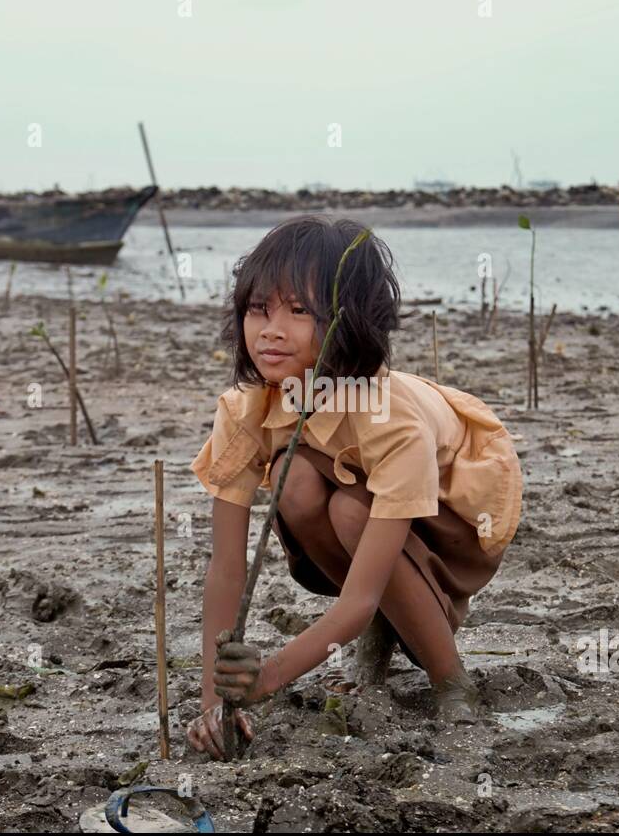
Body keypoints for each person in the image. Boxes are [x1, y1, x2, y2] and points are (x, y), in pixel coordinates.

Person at [186, 215, 522, 760]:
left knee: (350, 514)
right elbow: (226, 568)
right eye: (258, 309)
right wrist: (215, 702)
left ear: (348, 321)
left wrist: (268, 679)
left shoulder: (391, 422)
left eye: (299, 310)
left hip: (451, 527)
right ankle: (391, 631)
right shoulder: (246, 411)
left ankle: (451, 678)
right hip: (359, 519)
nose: (271, 329)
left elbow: (361, 598)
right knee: (294, 480)